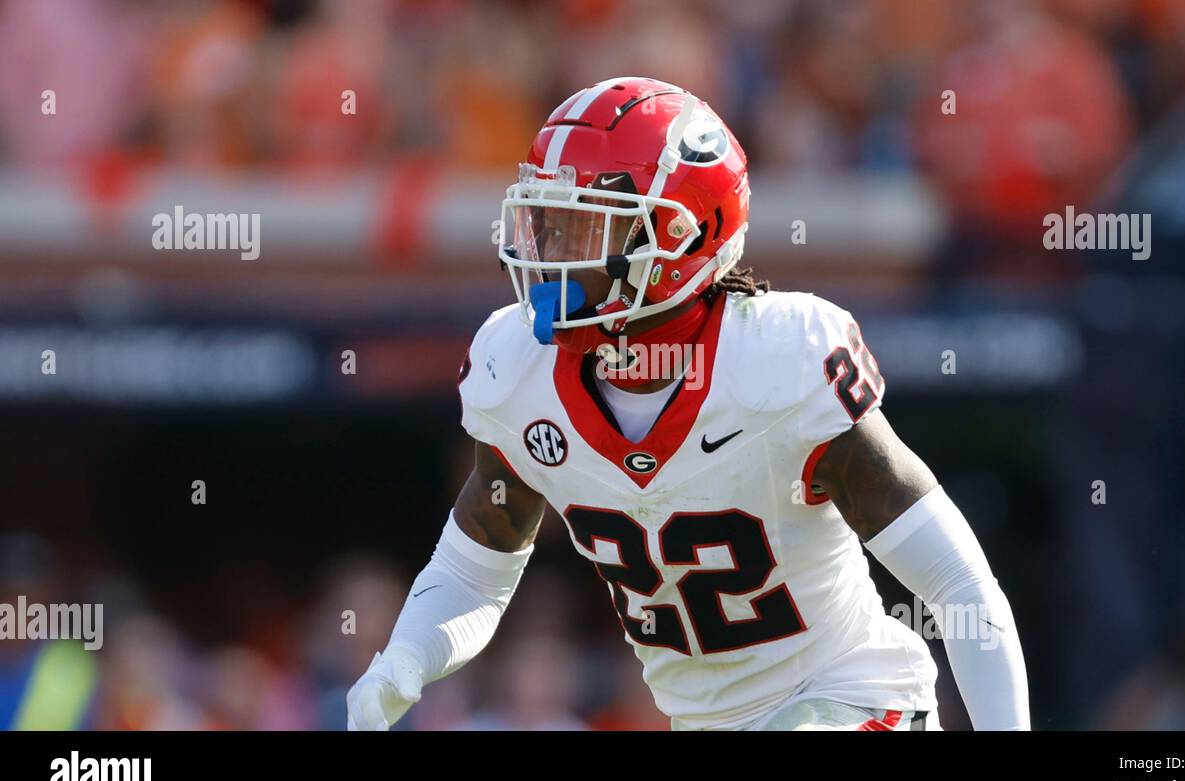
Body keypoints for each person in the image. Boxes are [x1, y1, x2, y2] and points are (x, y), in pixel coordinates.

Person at [348, 77, 1030, 731]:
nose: (548, 257)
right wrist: (403, 661)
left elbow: (958, 583)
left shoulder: (777, 362)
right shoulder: (520, 373)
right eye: (545, 225)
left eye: (580, 231)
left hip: (855, 702)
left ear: (680, 238)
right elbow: (475, 567)